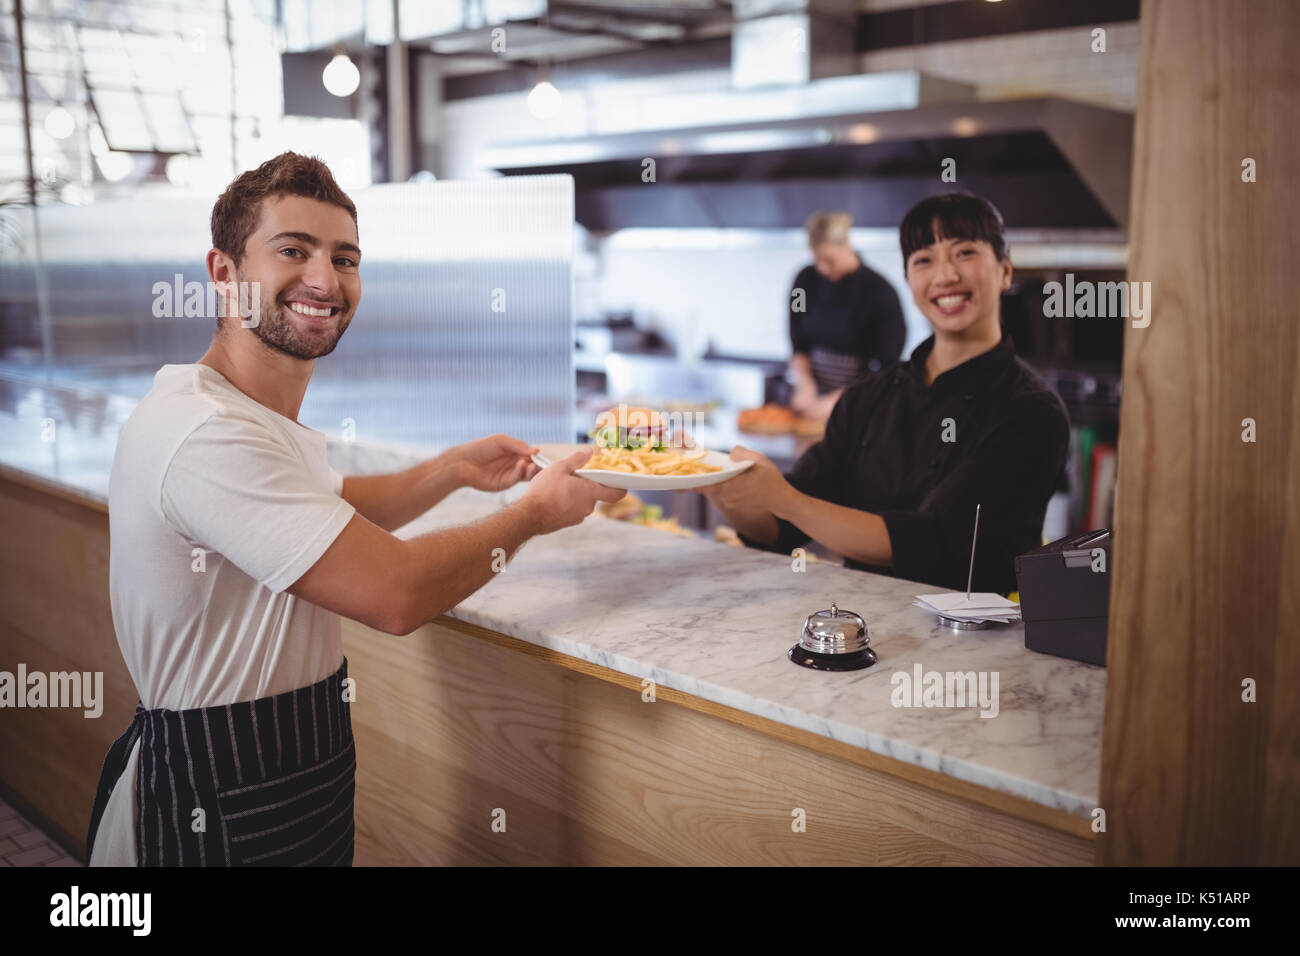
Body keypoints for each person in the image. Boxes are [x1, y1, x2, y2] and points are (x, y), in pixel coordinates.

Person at [86, 151, 623, 866]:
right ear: (223, 274)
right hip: (212, 802)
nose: (324, 279)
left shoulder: (240, 415)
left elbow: (327, 515)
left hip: (288, 778)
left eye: (345, 257)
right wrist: (533, 514)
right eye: (292, 251)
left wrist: (449, 471)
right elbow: (394, 593)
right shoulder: (208, 433)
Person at [703, 193, 1069, 595]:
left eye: (964, 252)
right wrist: (718, 485)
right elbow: (778, 530)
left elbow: (939, 544)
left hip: (977, 644)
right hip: (863, 635)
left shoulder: (1032, 412)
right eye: (924, 260)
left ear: (1004, 271)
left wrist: (786, 499)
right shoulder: (868, 398)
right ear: (911, 281)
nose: (945, 276)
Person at [788, 210, 906, 421]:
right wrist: (804, 384)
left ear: (846, 245)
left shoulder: (880, 291)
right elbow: (798, 343)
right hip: (811, 405)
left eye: (829, 260)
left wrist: (839, 400)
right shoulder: (804, 283)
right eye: (817, 260)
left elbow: (887, 368)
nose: (822, 269)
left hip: (860, 407)